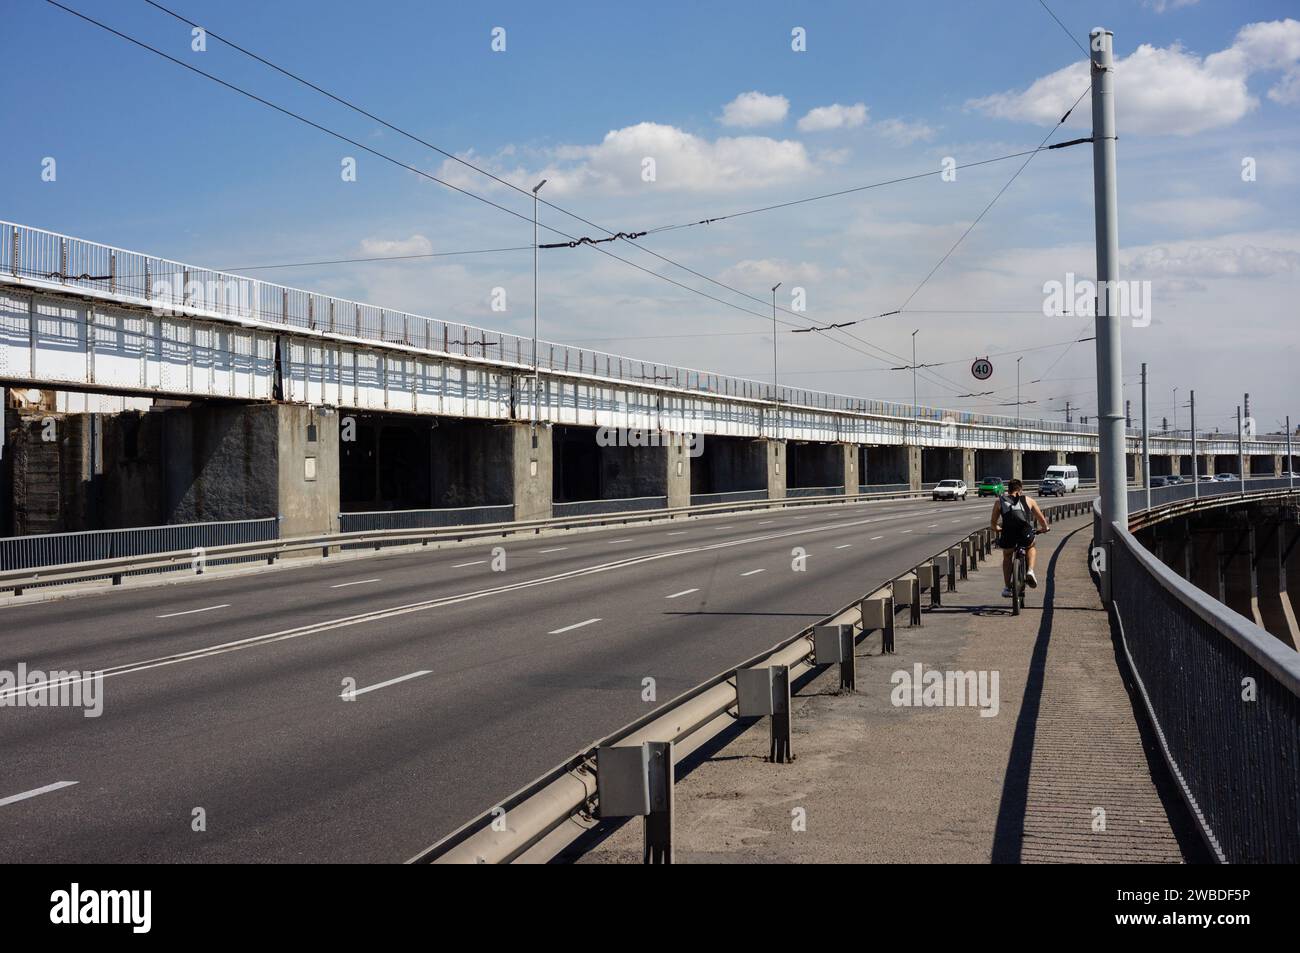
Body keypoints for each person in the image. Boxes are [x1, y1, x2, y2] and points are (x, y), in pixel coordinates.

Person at [990, 478, 1049, 598]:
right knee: (1031, 546)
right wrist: (1044, 528)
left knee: (1007, 556)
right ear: (1020, 490)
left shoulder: (999, 502)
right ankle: (1030, 571)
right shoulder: (1029, 500)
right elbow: (1041, 519)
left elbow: (993, 523)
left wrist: (998, 529)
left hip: (1008, 534)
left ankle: (1007, 587)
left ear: (1008, 490)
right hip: (1024, 533)